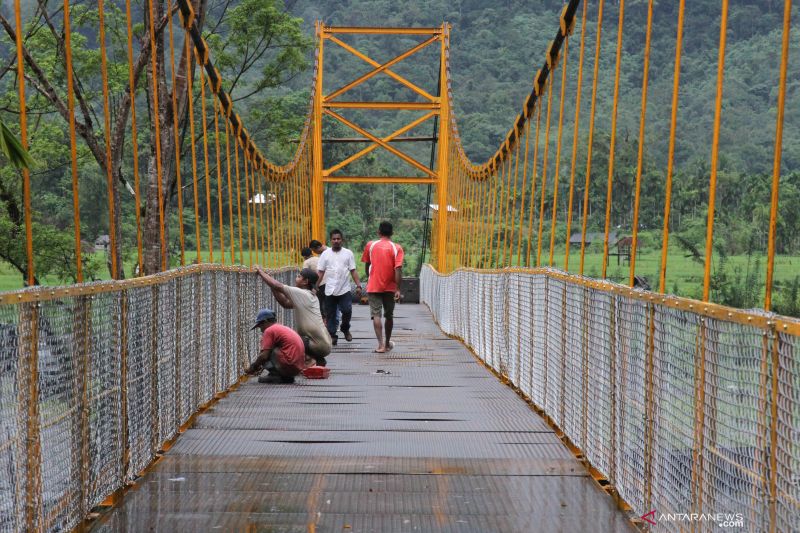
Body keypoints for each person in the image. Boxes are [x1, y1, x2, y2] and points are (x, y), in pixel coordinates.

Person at [256, 266, 332, 366]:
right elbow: (285, 303)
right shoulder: (309, 296)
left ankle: (309, 360)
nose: (296, 278)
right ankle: (316, 358)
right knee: (297, 338)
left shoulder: (302, 293)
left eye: (299, 276)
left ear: (305, 281)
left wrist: (261, 272)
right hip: (324, 344)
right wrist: (272, 286)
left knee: (286, 342)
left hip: (316, 344)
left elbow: (278, 285)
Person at [361, 221, 404, 353]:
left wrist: (370, 277)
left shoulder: (371, 245)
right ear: (392, 233)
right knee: (389, 315)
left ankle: (380, 345)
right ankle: (386, 344)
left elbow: (367, 265)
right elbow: (398, 269)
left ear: (378, 232)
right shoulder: (397, 248)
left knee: (376, 315)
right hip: (390, 287)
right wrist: (397, 288)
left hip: (373, 285)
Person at [316, 229, 362, 346]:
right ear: (330, 240)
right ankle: (332, 335)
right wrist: (315, 286)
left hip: (344, 289)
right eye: (334, 239)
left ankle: (345, 328)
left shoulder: (348, 253)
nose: (336, 241)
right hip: (330, 289)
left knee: (347, 310)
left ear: (342, 240)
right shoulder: (325, 255)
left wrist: (358, 286)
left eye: (338, 239)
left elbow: (353, 270)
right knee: (330, 313)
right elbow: (320, 272)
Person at [245, 308, 305, 384]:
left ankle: (275, 375)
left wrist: (253, 367)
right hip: (297, 368)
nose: (261, 330)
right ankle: (285, 377)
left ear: (266, 321)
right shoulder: (281, 328)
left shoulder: (269, 330)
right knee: (270, 348)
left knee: (266, 352)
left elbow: (264, 356)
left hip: (290, 364)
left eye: (260, 326)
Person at [308, 239, 327, 315]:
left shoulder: (327, 253)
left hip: (328, 282)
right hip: (325, 282)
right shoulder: (321, 254)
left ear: (318, 247)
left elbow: (321, 272)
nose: (314, 252)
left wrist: (315, 286)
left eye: (314, 250)